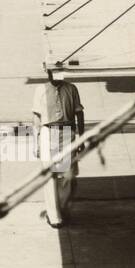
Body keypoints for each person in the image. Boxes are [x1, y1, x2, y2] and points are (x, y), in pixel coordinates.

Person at [32, 69, 85, 227]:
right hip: (48, 132)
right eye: (52, 72)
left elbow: (79, 114)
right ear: (48, 73)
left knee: (67, 176)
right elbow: (36, 117)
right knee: (50, 176)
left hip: (68, 132)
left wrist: (81, 137)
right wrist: (36, 142)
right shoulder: (40, 90)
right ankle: (54, 217)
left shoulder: (72, 88)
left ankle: (61, 209)